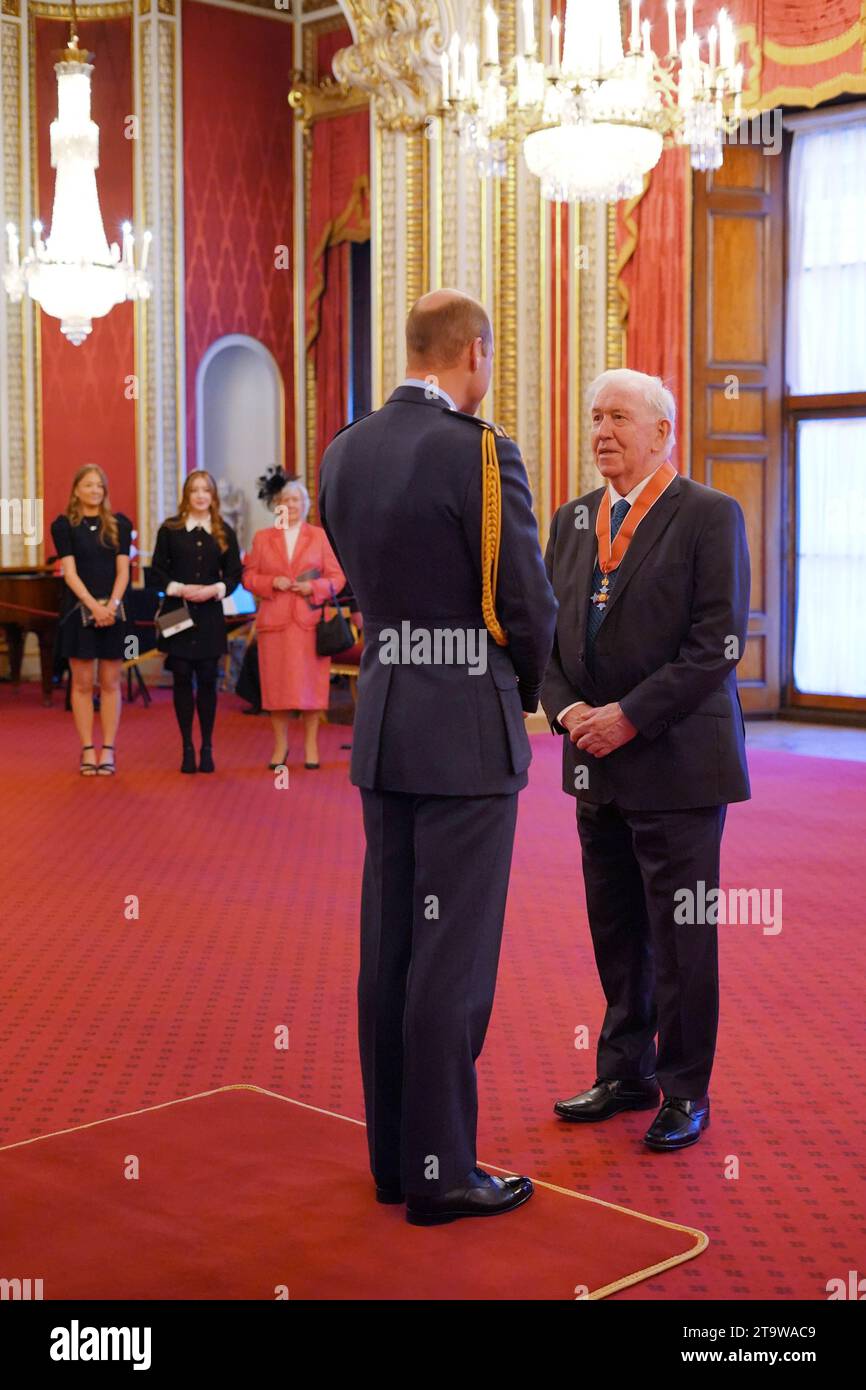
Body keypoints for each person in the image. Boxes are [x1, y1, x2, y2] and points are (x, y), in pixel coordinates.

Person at [319, 289, 557, 1225]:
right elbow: (525, 603)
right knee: (452, 960)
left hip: (384, 723)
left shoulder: (344, 449)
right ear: (475, 352)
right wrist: (531, 690)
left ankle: (392, 1161)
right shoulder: (480, 452)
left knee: (391, 950)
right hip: (464, 730)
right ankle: (443, 1174)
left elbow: (359, 581)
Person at [541, 367, 751, 1152]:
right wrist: (566, 711)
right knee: (617, 927)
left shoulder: (709, 515)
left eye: (619, 418)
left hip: (678, 763)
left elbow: (715, 647)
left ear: (662, 433)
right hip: (594, 762)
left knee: (683, 933)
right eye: (595, 416)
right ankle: (624, 1071)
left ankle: (684, 1088)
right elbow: (549, 637)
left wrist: (629, 717)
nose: (602, 431)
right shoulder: (569, 522)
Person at [242, 473, 345, 770]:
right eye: (286, 500)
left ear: (306, 503)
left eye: (296, 499)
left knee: (311, 690)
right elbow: (248, 577)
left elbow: (337, 578)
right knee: (277, 691)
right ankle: (280, 746)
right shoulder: (263, 538)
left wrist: (313, 587)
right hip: (274, 623)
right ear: (278, 505)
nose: (292, 504)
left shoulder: (320, 537)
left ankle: (311, 746)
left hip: (309, 623)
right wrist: (271, 581)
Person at [150, 470, 242, 774]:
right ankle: (187, 746)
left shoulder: (224, 531)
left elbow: (233, 576)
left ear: (213, 496)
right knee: (180, 678)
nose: (201, 495)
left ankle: (207, 747)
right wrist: (179, 588)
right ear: (186, 495)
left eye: (206, 490)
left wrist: (214, 590)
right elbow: (156, 572)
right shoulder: (170, 529)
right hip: (178, 612)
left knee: (206, 680)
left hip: (210, 616)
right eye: (195, 490)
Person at [51, 466, 133, 776]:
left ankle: (108, 749)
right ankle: (87, 747)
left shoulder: (119, 525)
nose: (95, 490)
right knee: (82, 684)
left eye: (100, 485)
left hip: (115, 611)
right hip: (78, 611)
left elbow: (124, 571)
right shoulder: (64, 526)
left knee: (112, 683)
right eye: (88, 485)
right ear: (76, 490)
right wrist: (92, 607)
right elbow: (69, 573)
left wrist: (110, 605)